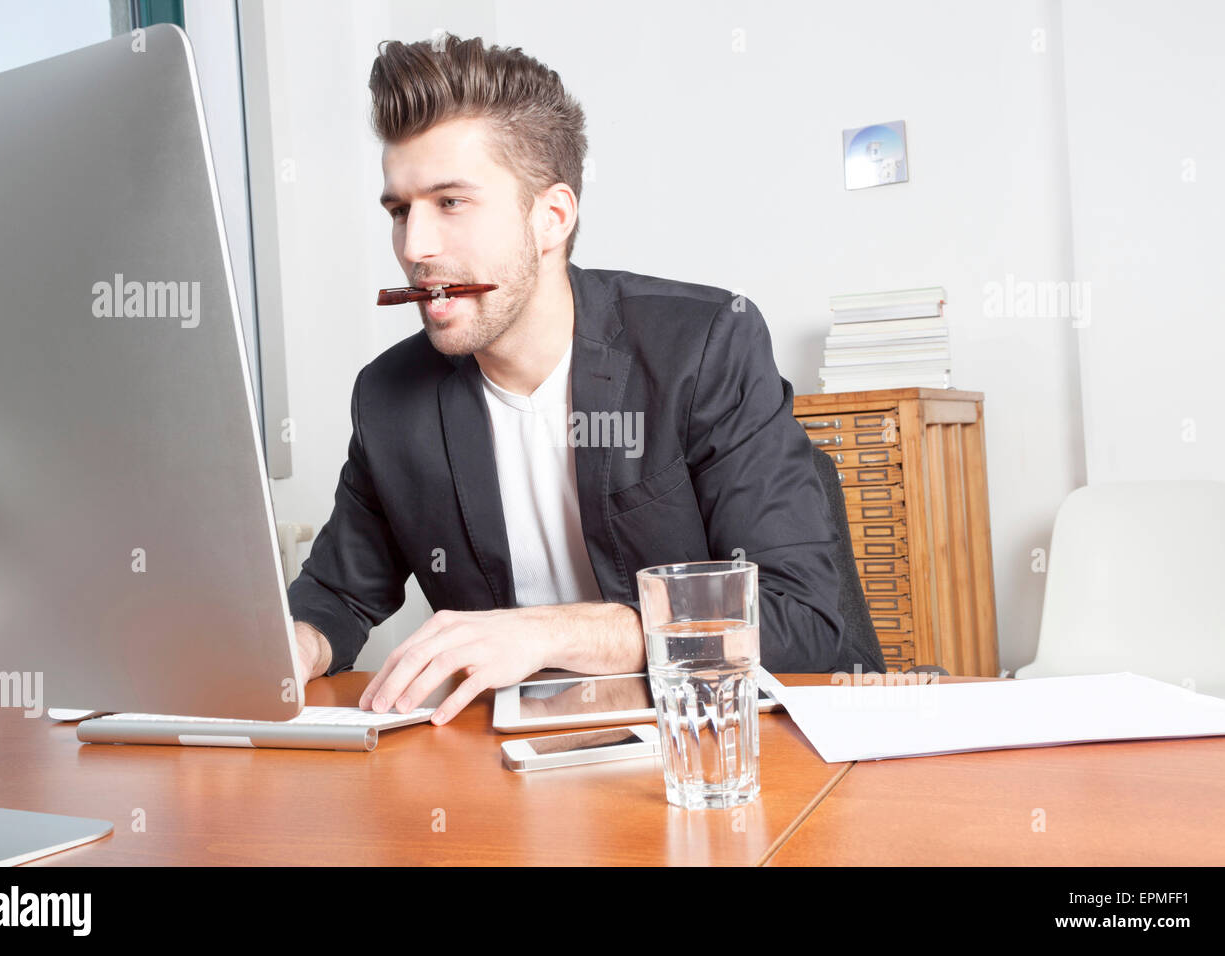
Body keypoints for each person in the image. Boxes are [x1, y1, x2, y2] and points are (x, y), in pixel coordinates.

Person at [287, 32, 850, 725]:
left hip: (728, 751)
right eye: (400, 211)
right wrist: (293, 646)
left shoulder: (702, 346)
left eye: (451, 203)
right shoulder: (390, 397)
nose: (414, 248)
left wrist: (554, 631)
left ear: (551, 217)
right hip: (522, 772)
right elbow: (336, 597)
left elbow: (802, 620)